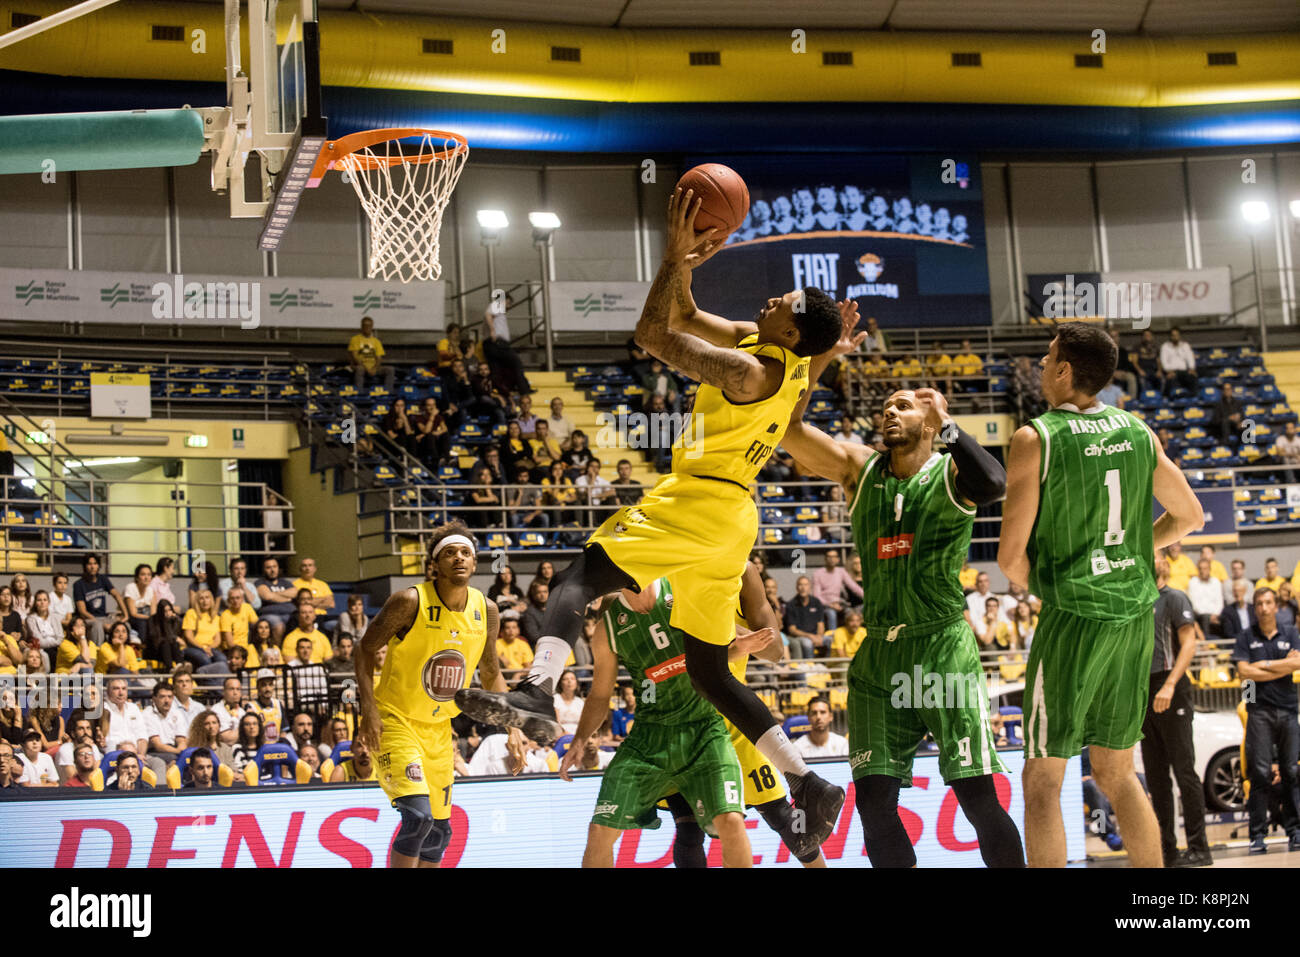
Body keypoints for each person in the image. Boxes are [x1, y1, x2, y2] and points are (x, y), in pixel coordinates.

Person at [456, 186, 847, 853]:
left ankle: (538, 692)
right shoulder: (770, 352)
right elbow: (687, 309)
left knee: (582, 572)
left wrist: (669, 252)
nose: (772, 297)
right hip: (733, 519)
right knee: (709, 668)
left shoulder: (751, 370)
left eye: (785, 300)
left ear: (792, 328)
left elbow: (654, 334)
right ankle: (806, 780)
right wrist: (685, 265)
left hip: (699, 498)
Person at [998, 321, 1204, 868]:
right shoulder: (1138, 432)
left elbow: (1010, 559)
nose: (1042, 367)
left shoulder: (1034, 437)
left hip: (1074, 618)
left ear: (1065, 371)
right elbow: (1191, 516)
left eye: (1046, 359)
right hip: (1135, 616)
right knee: (1118, 772)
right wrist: (1136, 551)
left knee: (1043, 776)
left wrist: (1053, 585)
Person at [557, 576, 755, 868]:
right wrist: (580, 740)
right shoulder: (608, 627)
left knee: (731, 821)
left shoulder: (684, 591)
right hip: (648, 739)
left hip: (703, 729)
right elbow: (600, 694)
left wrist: (744, 645)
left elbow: (722, 648)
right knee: (599, 830)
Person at [353, 522, 507, 868]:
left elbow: (491, 672)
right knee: (418, 818)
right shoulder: (409, 600)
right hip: (395, 720)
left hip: (438, 731)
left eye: (466, 552)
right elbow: (363, 650)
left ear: (475, 562)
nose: (459, 558)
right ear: (434, 564)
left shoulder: (487, 610)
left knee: (440, 833)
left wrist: (512, 729)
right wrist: (369, 711)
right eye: (449, 552)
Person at [1143, 558, 1212, 867]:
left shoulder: (1174, 597)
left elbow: (1189, 644)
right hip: (1143, 691)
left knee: (1184, 770)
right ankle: (1167, 851)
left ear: (1166, 565)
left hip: (1171, 685)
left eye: (1159, 553)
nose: (1152, 555)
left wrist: (1169, 685)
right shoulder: (1138, 597)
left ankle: (1200, 848)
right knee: (1156, 778)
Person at [1231, 587, 1300, 854]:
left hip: (1287, 710)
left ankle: (1294, 831)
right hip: (1257, 711)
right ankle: (1257, 836)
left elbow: (1297, 665)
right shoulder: (1246, 637)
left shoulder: (1290, 633)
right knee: (1259, 774)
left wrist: (1263, 666)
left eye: (1268, 602)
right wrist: (1279, 664)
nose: (1264, 607)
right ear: (1254, 607)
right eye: (1259, 603)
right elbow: (1244, 673)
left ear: (1276, 606)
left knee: (1291, 772)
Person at [74, 553, 128, 645]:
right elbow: (82, 611)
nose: (92, 566)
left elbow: (117, 595)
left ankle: (124, 652)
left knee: (125, 625)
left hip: (104, 617)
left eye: (95, 564)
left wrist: (126, 615)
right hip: (89, 620)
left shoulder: (103, 579)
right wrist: (102, 624)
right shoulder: (79, 584)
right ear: (85, 566)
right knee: (98, 626)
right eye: (89, 564)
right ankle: (96, 654)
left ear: (98, 566)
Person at [811, 548, 863, 633]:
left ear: (838, 559)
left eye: (834, 557)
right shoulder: (818, 574)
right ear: (825, 559)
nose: (832, 559)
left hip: (839, 604)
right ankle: (833, 638)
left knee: (853, 613)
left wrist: (869, 598)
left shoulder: (841, 571)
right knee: (831, 613)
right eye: (829, 557)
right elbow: (817, 596)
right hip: (824, 605)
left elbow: (854, 587)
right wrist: (830, 605)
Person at [143, 679, 189, 767]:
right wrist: (179, 753)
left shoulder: (176, 713)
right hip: (154, 752)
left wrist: (181, 751)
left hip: (174, 750)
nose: (167, 700)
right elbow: (157, 745)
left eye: (170, 697)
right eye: (162, 697)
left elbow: (181, 740)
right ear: (154, 699)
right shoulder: (147, 714)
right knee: (175, 761)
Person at [349, 316, 396, 393]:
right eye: (365, 325)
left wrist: (374, 368)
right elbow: (355, 357)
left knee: (390, 369)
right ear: (361, 327)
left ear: (372, 327)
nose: (367, 328)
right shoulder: (355, 339)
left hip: (373, 367)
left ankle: (388, 393)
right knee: (360, 369)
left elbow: (379, 358)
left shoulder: (376, 341)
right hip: (360, 366)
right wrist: (367, 369)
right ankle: (358, 393)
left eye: (369, 326)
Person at [255, 557, 299, 640]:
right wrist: (287, 598)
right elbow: (267, 596)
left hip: (290, 613)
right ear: (264, 570)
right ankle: (277, 650)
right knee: (279, 626)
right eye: (269, 567)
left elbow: (295, 593)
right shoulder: (260, 582)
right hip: (270, 615)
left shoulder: (286, 582)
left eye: (275, 567)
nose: (272, 570)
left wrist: (274, 595)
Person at [783, 576, 828, 656]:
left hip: (816, 635)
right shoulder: (791, 605)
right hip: (801, 636)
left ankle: (828, 666)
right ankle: (810, 666)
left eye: (806, 585)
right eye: (800, 585)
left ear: (810, 587)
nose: (803, 588)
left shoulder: (816, 602)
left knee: (830, 640)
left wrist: (819, 636)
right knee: (807, 643)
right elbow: (792, 630)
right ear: (797, 588)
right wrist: (810, 636)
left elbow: (821, 624)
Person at [181, 589, 225, 669]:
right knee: (205, 660)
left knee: (222, 659)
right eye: (201, 598)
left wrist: (209, 648)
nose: (205, 601)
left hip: (210, 648)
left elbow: (218, 639)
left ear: (211, 600)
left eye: (207, 597)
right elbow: (188, 635)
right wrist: (202, 647)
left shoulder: (216, 617)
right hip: (193, 647)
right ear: (197, 601)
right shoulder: (191, 613)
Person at [282, 597, 333, 664]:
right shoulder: (290, 638)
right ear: (298, 616)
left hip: (319, 673)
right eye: (304, 612)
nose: (307, 615)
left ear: (315, 616)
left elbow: (329, 662)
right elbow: (290, 664)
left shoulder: (322, 637)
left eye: (310, 612)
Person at [56, 714, 102, 785]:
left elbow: (97, 774)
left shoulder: (93, 747)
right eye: (81, 728)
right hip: (71, 790)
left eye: (88, 728)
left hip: (91, 787)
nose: (85, 732)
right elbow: (72, 777)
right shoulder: (65, 749)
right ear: (73, 734)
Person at [293, 557, 336, 630]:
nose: (307, 568)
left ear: (314, 569)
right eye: (304, 566)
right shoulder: (294, 585)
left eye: (310, 565)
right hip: (305, 618)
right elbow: (299, 604)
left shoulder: (322, 584)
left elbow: (331, 604)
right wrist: (323, 599)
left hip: (322, 616)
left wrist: (309, 603)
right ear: (300, 569)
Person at [1186, 558, 1224, 638]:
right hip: (1200, 615)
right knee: (1205, 617)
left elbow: (1219, 602)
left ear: (1210, 569)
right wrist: (1209, 616)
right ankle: (1206, 644)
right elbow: (1194, 604)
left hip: (1216, 614)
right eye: (1200, 568)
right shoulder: (1193, 582)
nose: (1202, 571)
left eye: (1205, 568)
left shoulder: (1216, 582)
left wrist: (1215, 614)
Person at [1159, 326, 1197, 395]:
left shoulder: (1185, 345)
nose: (1175, 337)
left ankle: (1193, 398)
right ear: (1170, 336)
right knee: (1169, 379)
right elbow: (1163, 361)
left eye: (1177, 335)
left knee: (1193, 377)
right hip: (1171, 371)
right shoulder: (1165, 346)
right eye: (1173, 335)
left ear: (1179, 336)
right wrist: (1168, 371)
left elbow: (1190, 358)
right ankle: (1167, 400)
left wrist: (1191, 368)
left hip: (1184, 372)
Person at [122, 563, 156, 639]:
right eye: (143, 574)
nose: (146, 577)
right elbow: (133, 613)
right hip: (132, 618)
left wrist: (151, 619)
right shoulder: (130, 588)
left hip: (147, 617)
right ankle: (142, 647)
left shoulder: (151, 591)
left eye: (149, 575)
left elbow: (153, 613)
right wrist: (149, 618)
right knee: (143, 623)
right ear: (137, 577)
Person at [553, 669, 583, 736]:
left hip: (578, 735)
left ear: (576, 682)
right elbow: (556, 723)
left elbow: (583, 723)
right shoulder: (555, 699)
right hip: (560, 734)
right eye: (565, 679)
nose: (569, 681)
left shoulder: (580, 702)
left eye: (572, 679)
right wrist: (566, 734)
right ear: (560, 683)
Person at [519, 579, 548, 645]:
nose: (542, 595)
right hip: (538, 647)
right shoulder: (529, 613)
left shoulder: (553, 609)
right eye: (539, 592)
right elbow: (534, 637)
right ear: (534, 594)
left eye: (545, 592)